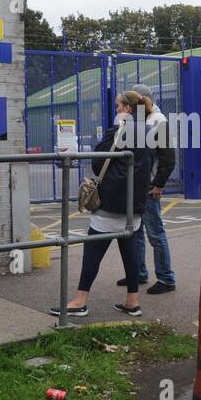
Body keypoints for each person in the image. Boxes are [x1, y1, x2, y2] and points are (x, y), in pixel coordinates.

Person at [49, 90, 154, 318]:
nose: (115, 110)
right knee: (130, 252)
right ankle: (132, 301)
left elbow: (98, 162)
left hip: (111, 203)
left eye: (118, 106)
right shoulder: (148, 132)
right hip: (135, 204)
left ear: (127, 108)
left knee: (92, 249)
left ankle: (79, 301)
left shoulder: (119, 131)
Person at [119, 82, 176, 294]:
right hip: (138, 186)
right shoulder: (140, 120)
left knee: (155, 233)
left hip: (149, 187)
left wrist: (158, 184)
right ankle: (139, 273)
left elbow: (168, 158)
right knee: (137, 232)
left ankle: (166, 278)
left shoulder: (158, 121)